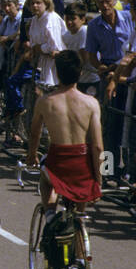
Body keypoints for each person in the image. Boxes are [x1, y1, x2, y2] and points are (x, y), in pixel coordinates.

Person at [29, 50, 103, 232]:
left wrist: (31, 155)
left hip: (58, 161)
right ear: (80, 73)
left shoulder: (45, 102)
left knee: (45, 180)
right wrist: (99, 179)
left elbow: (34, 134)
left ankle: (50, 215)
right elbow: (99, 147)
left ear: (56, 72)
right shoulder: (91, 103)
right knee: (79, 213)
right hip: (82, 164)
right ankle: (79, 236)